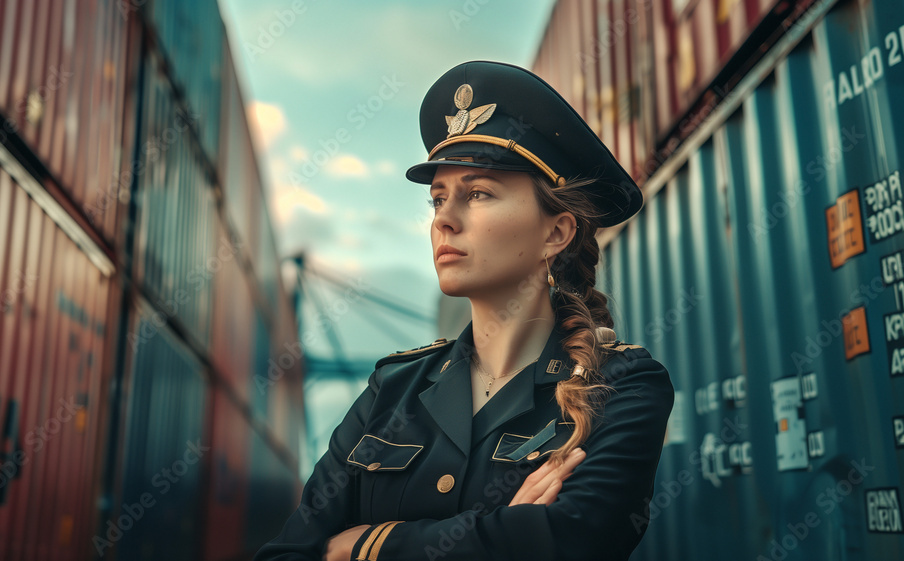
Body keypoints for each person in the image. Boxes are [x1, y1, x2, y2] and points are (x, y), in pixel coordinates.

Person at [254, 60, 674, 561]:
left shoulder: (622, 386)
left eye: (478, 193)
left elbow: (568, 543)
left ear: (555, 233)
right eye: (437, 200)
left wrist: (358, 548)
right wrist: (506, 531)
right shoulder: (391, 389)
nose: (444, 221)